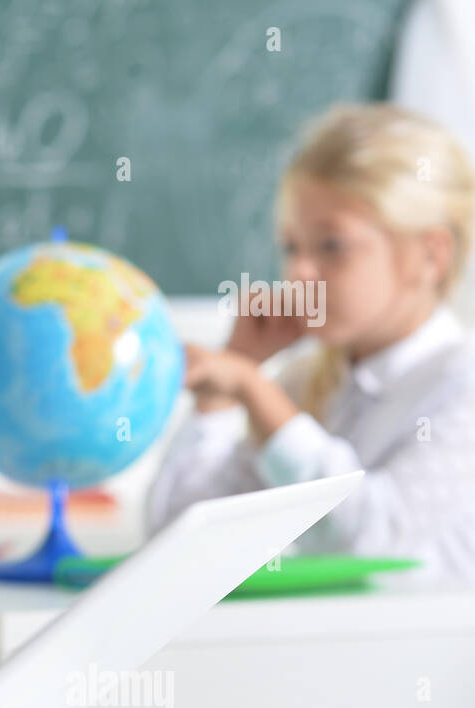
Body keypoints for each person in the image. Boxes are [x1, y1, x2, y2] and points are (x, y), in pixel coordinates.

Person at [146, 103, 475, 584]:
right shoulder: (307, 383)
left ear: (429, 255)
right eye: (290, 247)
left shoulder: (460, 383)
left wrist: (258, 395)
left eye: (331, 246)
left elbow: (369, 542)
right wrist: (226, 383)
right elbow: (177, 540)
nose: (299, 272)